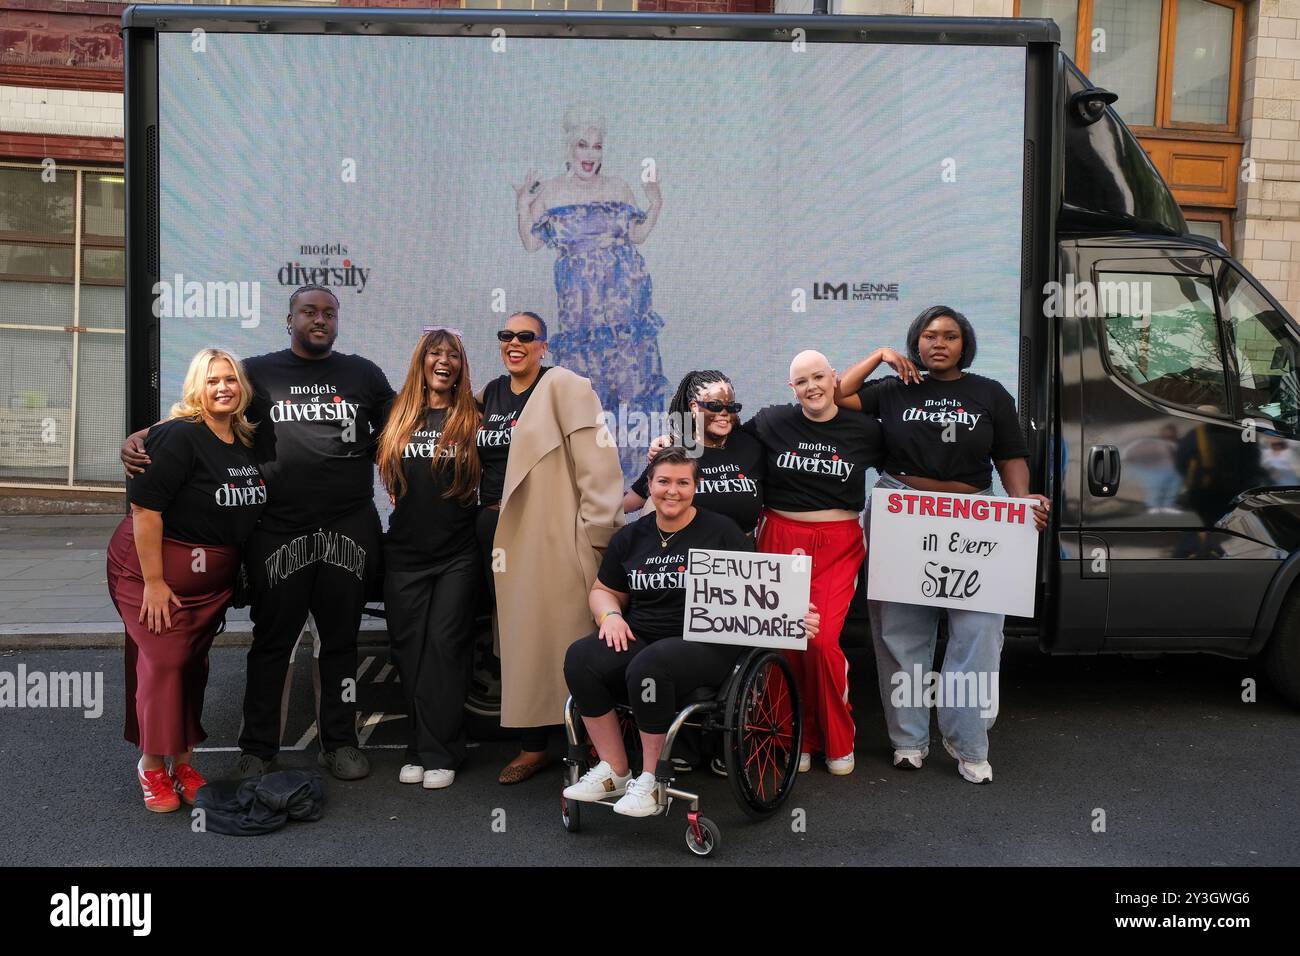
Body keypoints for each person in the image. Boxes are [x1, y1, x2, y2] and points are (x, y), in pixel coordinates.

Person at [122, 286, 395, 782]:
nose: (320, 320)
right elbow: (203, 411)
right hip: (276, 530)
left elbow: (411, 419)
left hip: (348, 527)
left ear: (338, 321)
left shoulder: (364, 374)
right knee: (273, 642)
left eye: (329, 313)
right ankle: (258, 747)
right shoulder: (257, 373)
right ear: (288, 320)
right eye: (309, 312)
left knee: (340, 641)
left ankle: (339, 742)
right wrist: (144, 435)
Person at [836, 305, 1049, 784]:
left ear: (963, 345)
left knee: (978, 635)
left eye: (950, 336)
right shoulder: (893, 389)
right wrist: (880, 355)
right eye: (929, 336)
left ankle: (970, 745)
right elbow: (835, 393)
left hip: (974, 516)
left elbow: (1010, 455)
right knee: (901, 631)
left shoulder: (989, 393)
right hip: (903, 511)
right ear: (916, 343)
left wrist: (1022, 504)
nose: (939, 344)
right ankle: (908, 741)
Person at [563, 446, 821, 815]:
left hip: (706, 642)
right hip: (643, 635)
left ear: (695, 487)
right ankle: (615, 770)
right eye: (663, 481)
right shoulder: (631, 538)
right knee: (580, 657)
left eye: (683, 483)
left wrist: (794, 615)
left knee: (650, 666)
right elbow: (604, 591)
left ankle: (652, 780)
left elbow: (763, 590)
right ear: (649, 485)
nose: (672, 491)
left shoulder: (721, 531)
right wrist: (611, 617)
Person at [108, 348, 266, 812]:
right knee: (166, 664)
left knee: (192, 667)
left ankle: (183, 763)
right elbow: (145, 509)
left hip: (208, 584)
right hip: (149, 573)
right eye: (213, 379)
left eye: (231, 380)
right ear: (196, 386)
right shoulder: (179, 435)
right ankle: (152, 768)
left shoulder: (242, 438)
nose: (223, 388)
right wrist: (154, 582)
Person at [478, 310, 625, 784]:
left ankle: (594, 753)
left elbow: (599, 469)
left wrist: (597, 536)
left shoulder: (564, 385)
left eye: (526, 336)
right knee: (521, 643)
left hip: (553, 536)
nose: (514, 342)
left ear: (544, 345)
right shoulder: (490, 394)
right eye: (506, 335)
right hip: (500, 535)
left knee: (565, 641)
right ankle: (533, 746)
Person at [514, 106, 668, 479]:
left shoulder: (617, 187)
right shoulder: (552, 191)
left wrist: (655, 203)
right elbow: (531, 244)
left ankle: (632, 489)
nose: (590, 154)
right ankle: (587, 491)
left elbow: (635, 236)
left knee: (631, 394)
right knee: (587, 398)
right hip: (581, 315)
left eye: (597, 146)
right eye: (583, 145)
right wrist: (522, 205)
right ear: (569, 147)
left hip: (626, 312)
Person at [376, 328, 481, 790]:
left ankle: (443, 751)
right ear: (421, 360)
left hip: (458, 555)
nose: (443, 361)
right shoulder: (394, 412)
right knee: (408, 651)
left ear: (461, 364)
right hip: (404, 555)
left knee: (444, 649)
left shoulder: (475, 417)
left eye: (452, 354)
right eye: (435, 353)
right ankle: (418, 748)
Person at [624, 370, 765, 537]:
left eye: (731, 406)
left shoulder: (751, 446)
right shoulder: (675, 452)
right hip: (686, 555)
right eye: (715, 405)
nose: (725, 412)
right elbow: (631, 502)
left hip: (740, 557)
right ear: (694, 407)